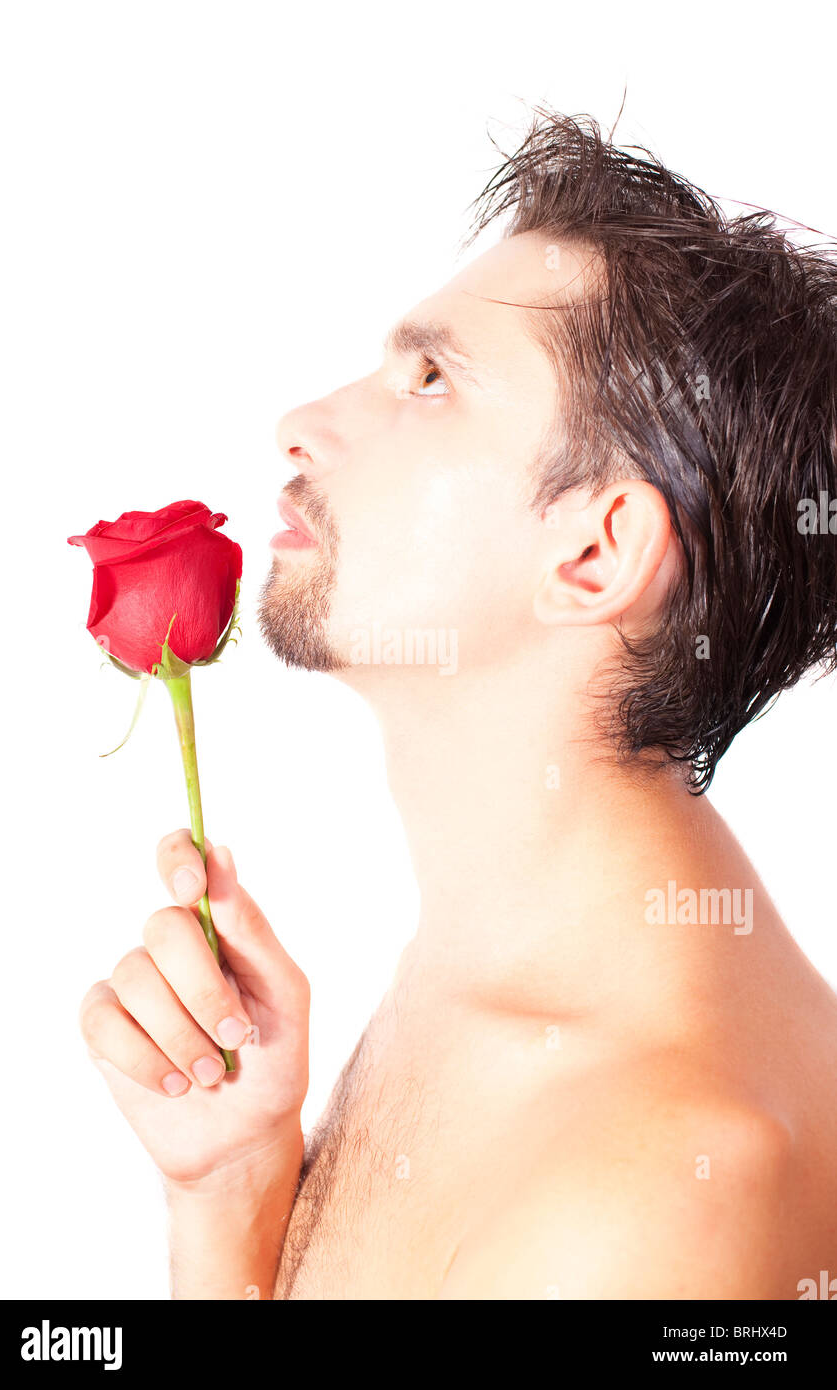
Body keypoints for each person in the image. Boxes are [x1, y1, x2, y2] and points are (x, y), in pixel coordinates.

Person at [80, 109, 837, 1299]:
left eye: (429, 381)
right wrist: (228, 1191)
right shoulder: (503, 956)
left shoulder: (644, 1204)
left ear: (592, 552)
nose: (303, 424)